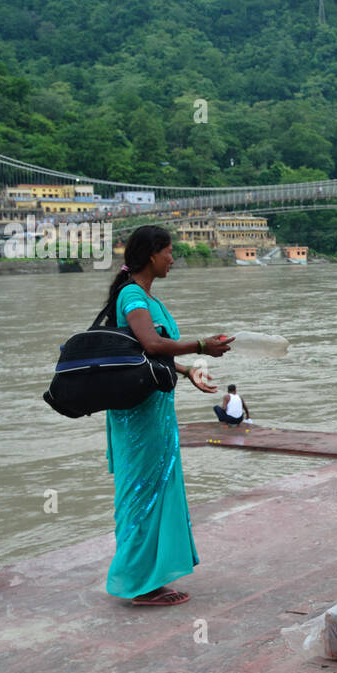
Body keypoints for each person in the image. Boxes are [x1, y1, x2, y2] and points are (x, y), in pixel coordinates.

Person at [105, 226, 234, 606]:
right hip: (139, 414)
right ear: (150, 255)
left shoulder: (146, 297)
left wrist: (187, 370)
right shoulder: (132, 295)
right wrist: (202, 346)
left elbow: (151, 355)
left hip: (154, 407)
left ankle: (150, 575)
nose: (173, 258)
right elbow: (151, 343)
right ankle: (138, 583)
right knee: (142, 490)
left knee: (157, 487)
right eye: (169, 251)